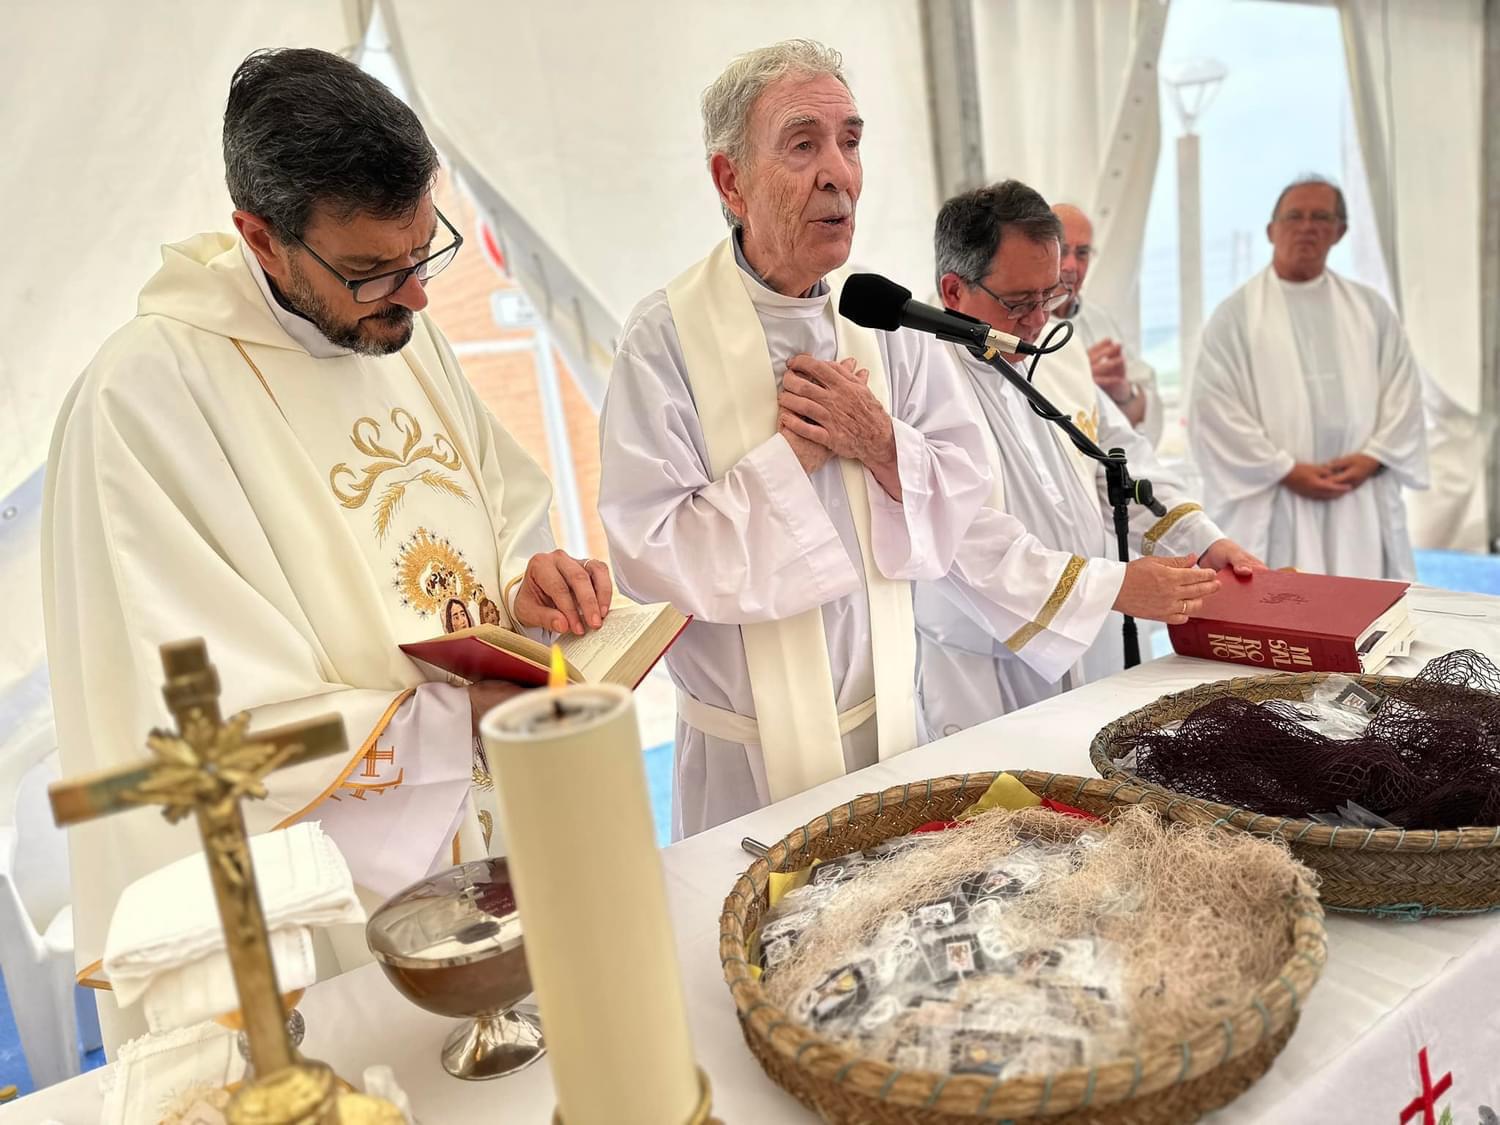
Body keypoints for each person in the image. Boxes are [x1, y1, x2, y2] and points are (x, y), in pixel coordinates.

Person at [42, 48, 611, 1047]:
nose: (418, 298)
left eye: (423, 250)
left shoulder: (396, 326)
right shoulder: (145, 401)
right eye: (370, 271)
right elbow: (205, 729)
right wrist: (449, 724)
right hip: (323, 913)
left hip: (480, 836)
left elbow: (484, 518)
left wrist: (526, 590)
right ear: (259, 237)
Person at [917, 181, 1257, 734]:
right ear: (953, 290)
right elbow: (960, 538)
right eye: (1020, 302)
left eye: (1050, 296)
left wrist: (1201, 541)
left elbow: (1118, 463)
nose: (1037, 321)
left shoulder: (1057, 350)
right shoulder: (917, 377)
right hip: (987, 659)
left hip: (1090, 628)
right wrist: (1114, 586)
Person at [1189, 176, 1428, 578]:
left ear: (1341, 231)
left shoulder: (1370, 310)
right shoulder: (1236, 316)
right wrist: (1285, 468)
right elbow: (1214, 409)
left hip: (1358, 497)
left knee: (1363, 609)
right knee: (1288, 607)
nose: (1307, 227)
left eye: (1321, 217)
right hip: (1278, 496)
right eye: (1294, 216)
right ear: (1271, 230)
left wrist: (1373, 457)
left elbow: (1404, 393)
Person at [1052, 203, 1163, 445]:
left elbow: (1145, 412)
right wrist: (1079, 378)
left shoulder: (1099, 321)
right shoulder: (1022, 327)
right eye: (1062, 250)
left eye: (1082, 253)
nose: (1071, 266)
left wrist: (1124, 393)